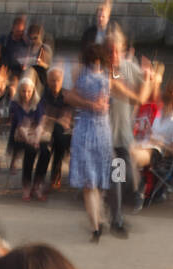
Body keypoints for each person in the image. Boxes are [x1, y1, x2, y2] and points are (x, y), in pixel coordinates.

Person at [104, 26, 154, 237]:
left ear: (122, 49)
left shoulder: (128, 67)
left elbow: (147, 92)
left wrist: (149, 78)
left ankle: (112, 211)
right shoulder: (100, 70)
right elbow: (136, 96)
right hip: (105, 136)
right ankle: (116, 220)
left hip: (124, 134)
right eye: (110, 50)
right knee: (116, 176)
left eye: (117, 50)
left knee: (127, 179)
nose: (114, 55)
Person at [66, 42, 112, 241]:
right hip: (93, 128)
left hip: (93, 129)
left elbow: (69, 95)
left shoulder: (83, 71)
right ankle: (96, 224)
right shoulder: (104, 74)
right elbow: (69, 96)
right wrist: (92, 104)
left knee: (93, 182)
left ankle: (96, 223)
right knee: (92, 182)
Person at [10, 74, 50, 201]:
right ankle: (26, 185)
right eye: (23, 91)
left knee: (45, 152)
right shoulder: (15, 104)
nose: (26, 94)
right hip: (21, 136)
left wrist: (36, 140)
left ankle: (38, 183)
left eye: (29, 91)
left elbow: (40, 124)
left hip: (35, 135)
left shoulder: (38, 103)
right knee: (30, 151)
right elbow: (20, 125)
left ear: (33, 91)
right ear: (19, 91)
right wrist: (30, 141)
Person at [43, 66, 72, 190]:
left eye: (58, 80)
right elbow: (42, 115)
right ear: (48, 81)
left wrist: (52, 119)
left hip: (62, 131)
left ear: (62, 80)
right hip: (46, 129)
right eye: (52, 80)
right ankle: (47, 176)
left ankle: (55, 175)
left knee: (59, 136)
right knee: (51, 141)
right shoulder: (43, 95)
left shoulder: (67, 95)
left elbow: (66, 119)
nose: (55, 83)